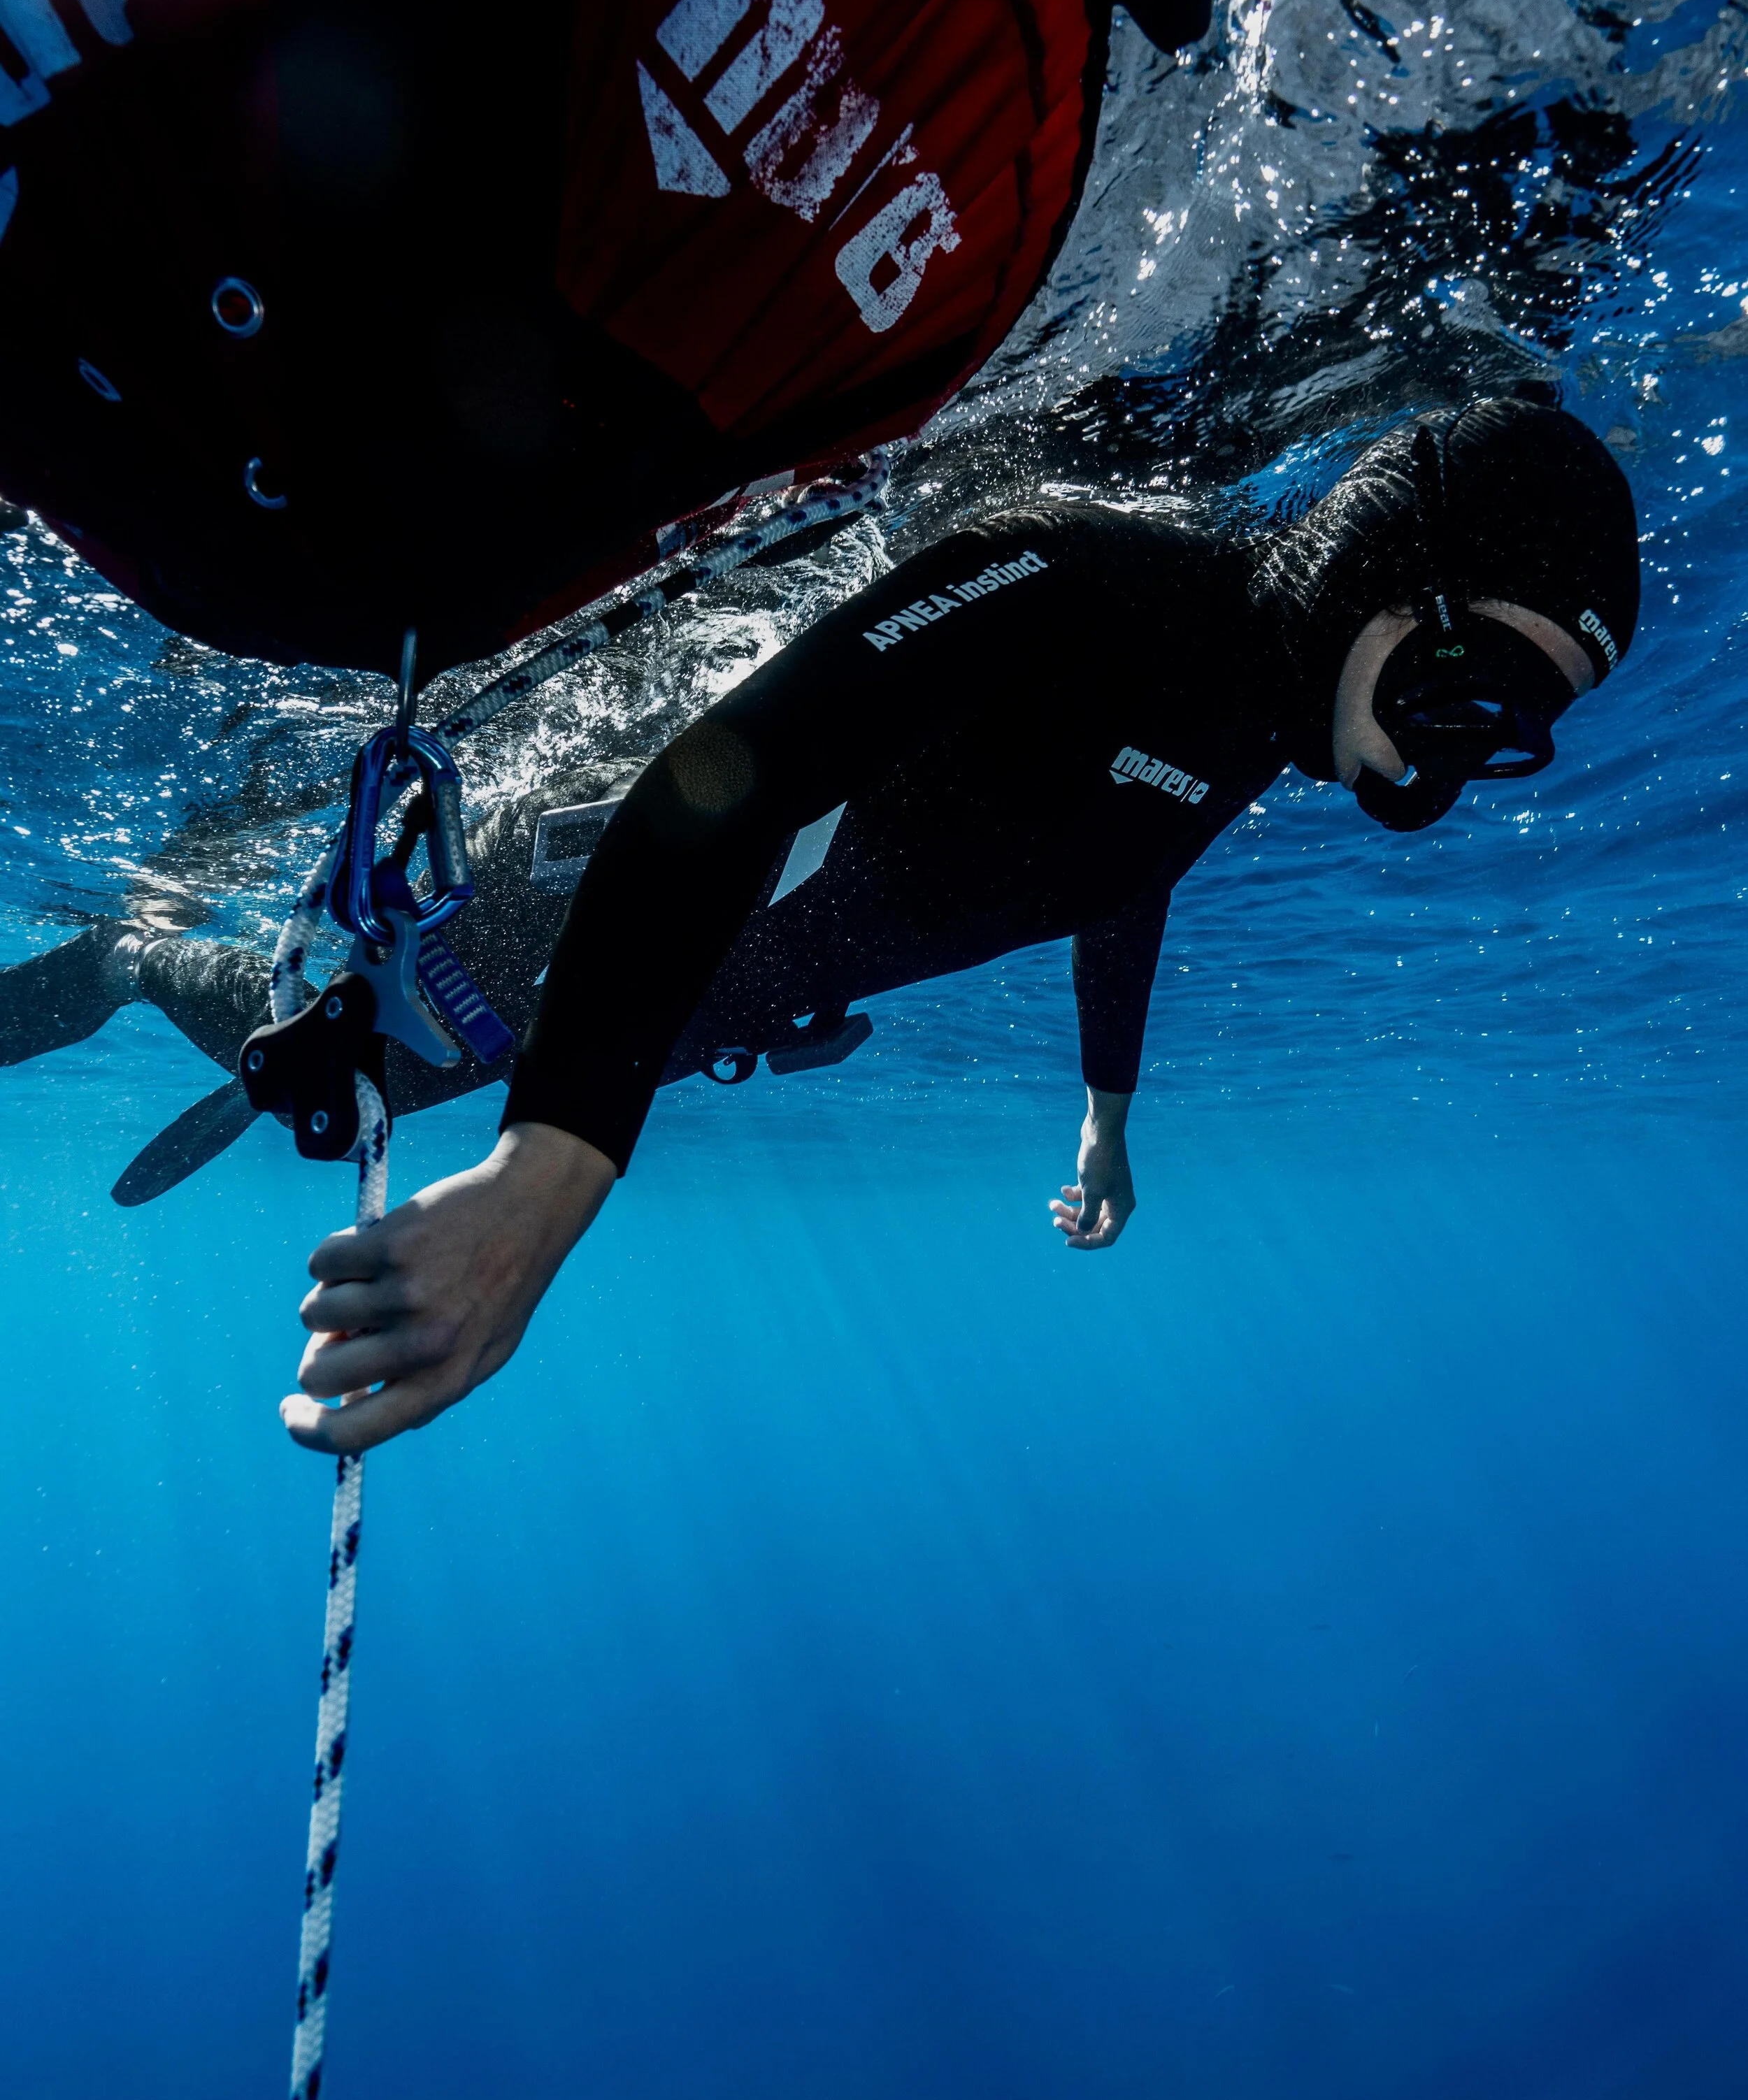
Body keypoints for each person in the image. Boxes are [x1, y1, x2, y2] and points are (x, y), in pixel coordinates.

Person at [252, 394, 1635, 1456]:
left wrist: (1105, 1116)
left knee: (352, 1094)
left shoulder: (1250, 731)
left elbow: (1125, 875)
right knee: (298, 1075)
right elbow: (717, 783)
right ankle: (150, 962)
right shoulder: (1080, 582)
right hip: (553, 938)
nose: (1444, 763)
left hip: (673, 1019)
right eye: (1477, 687)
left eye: (1517, 736)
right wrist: (545, 1176)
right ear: (1389, 572)